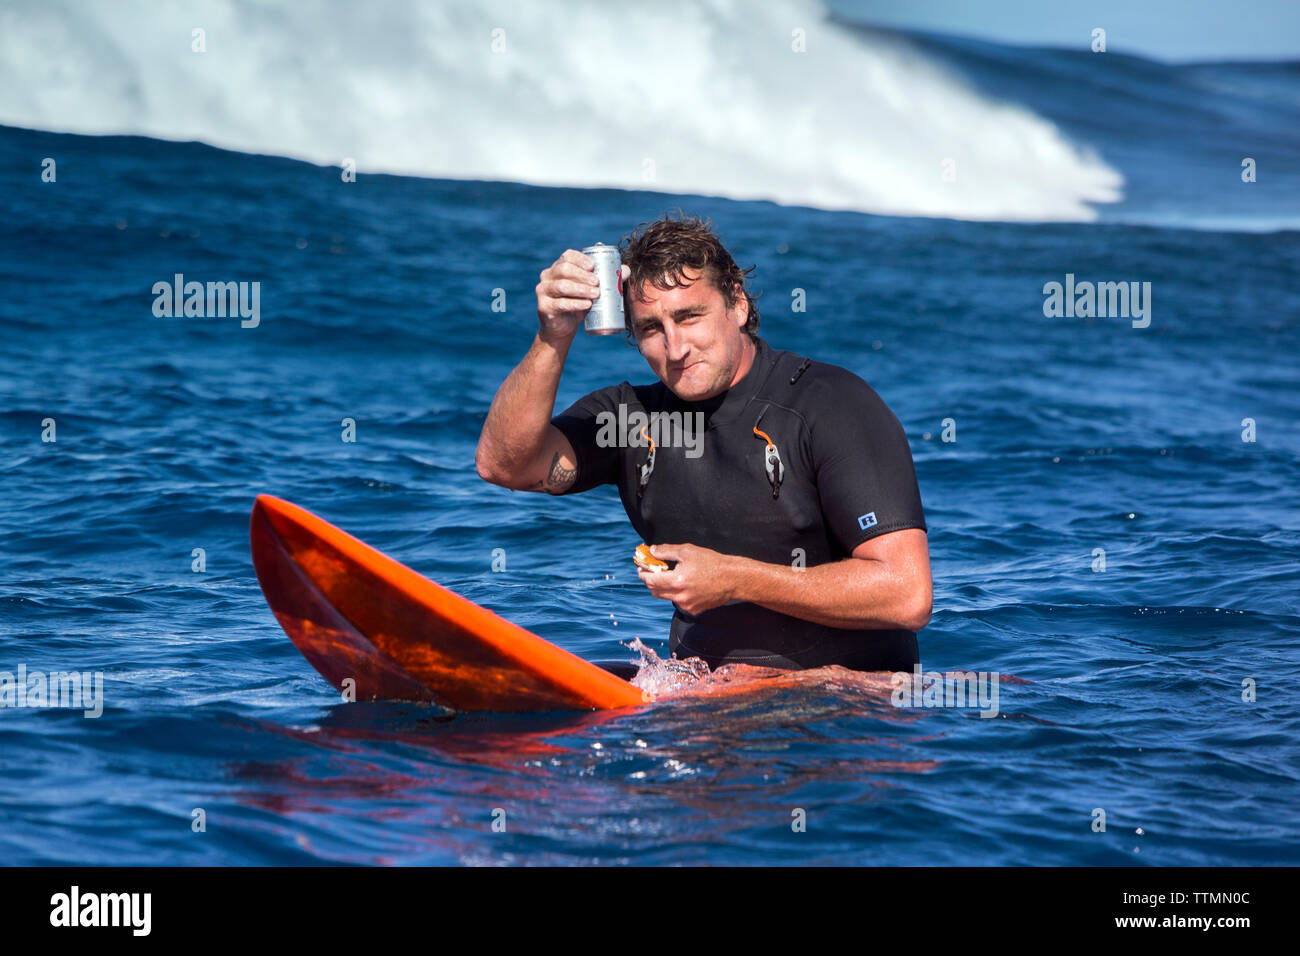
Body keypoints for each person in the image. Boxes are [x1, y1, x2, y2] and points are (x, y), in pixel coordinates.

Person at [475, 214, 931, 673]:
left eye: (689, 316)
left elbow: (906, 594)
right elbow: (505, 466)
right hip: (697, 699)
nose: (675, 348)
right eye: (651, 328)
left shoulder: (830, 405)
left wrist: (735, 580)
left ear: (737, 305)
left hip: (841, 709)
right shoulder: (632, 420)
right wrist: (553, 335)